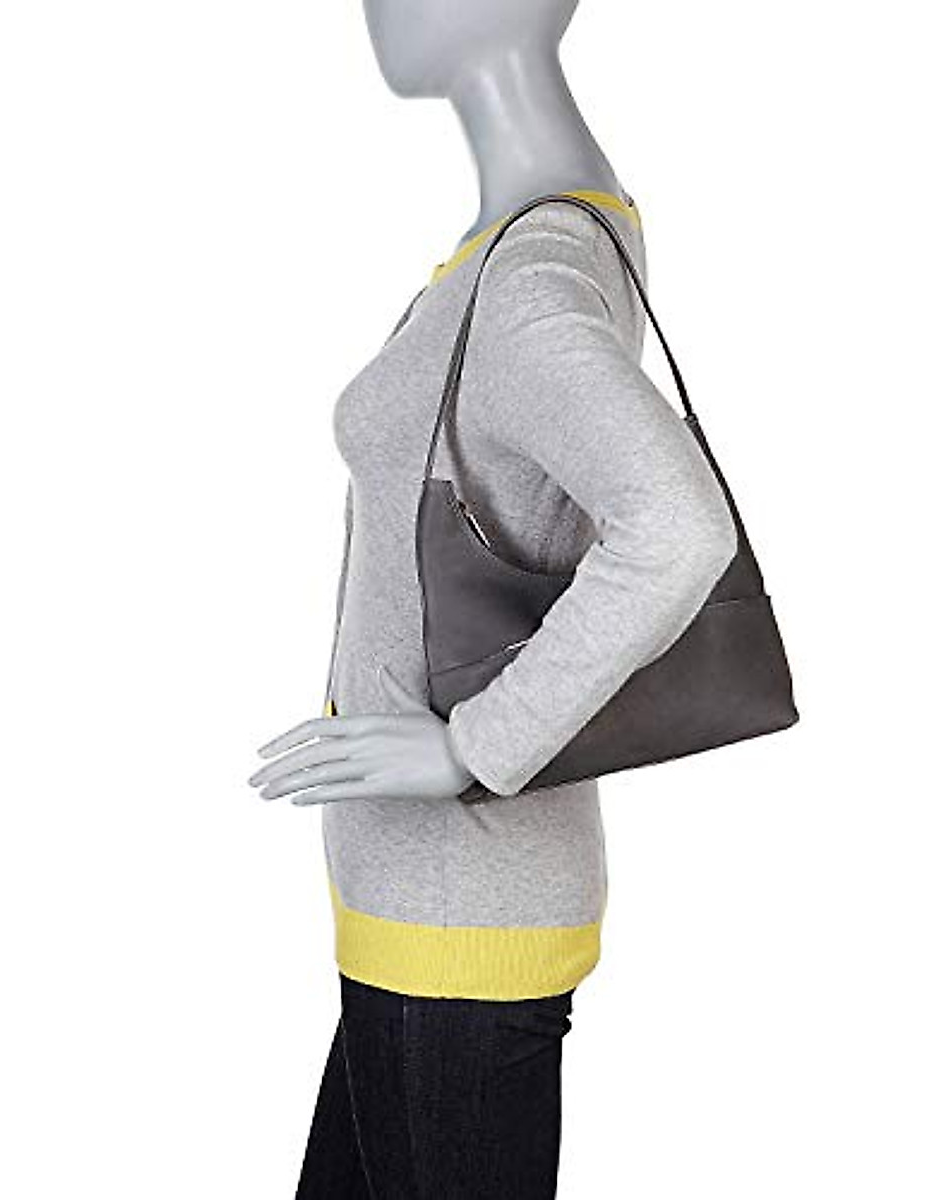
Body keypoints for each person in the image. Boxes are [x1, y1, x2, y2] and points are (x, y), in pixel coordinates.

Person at [249, 2, 737, 1195]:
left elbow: (678, 528)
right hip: (423, 912)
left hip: (458, 919)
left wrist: (473, 747)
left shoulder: (529, 278)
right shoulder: (535, 239)